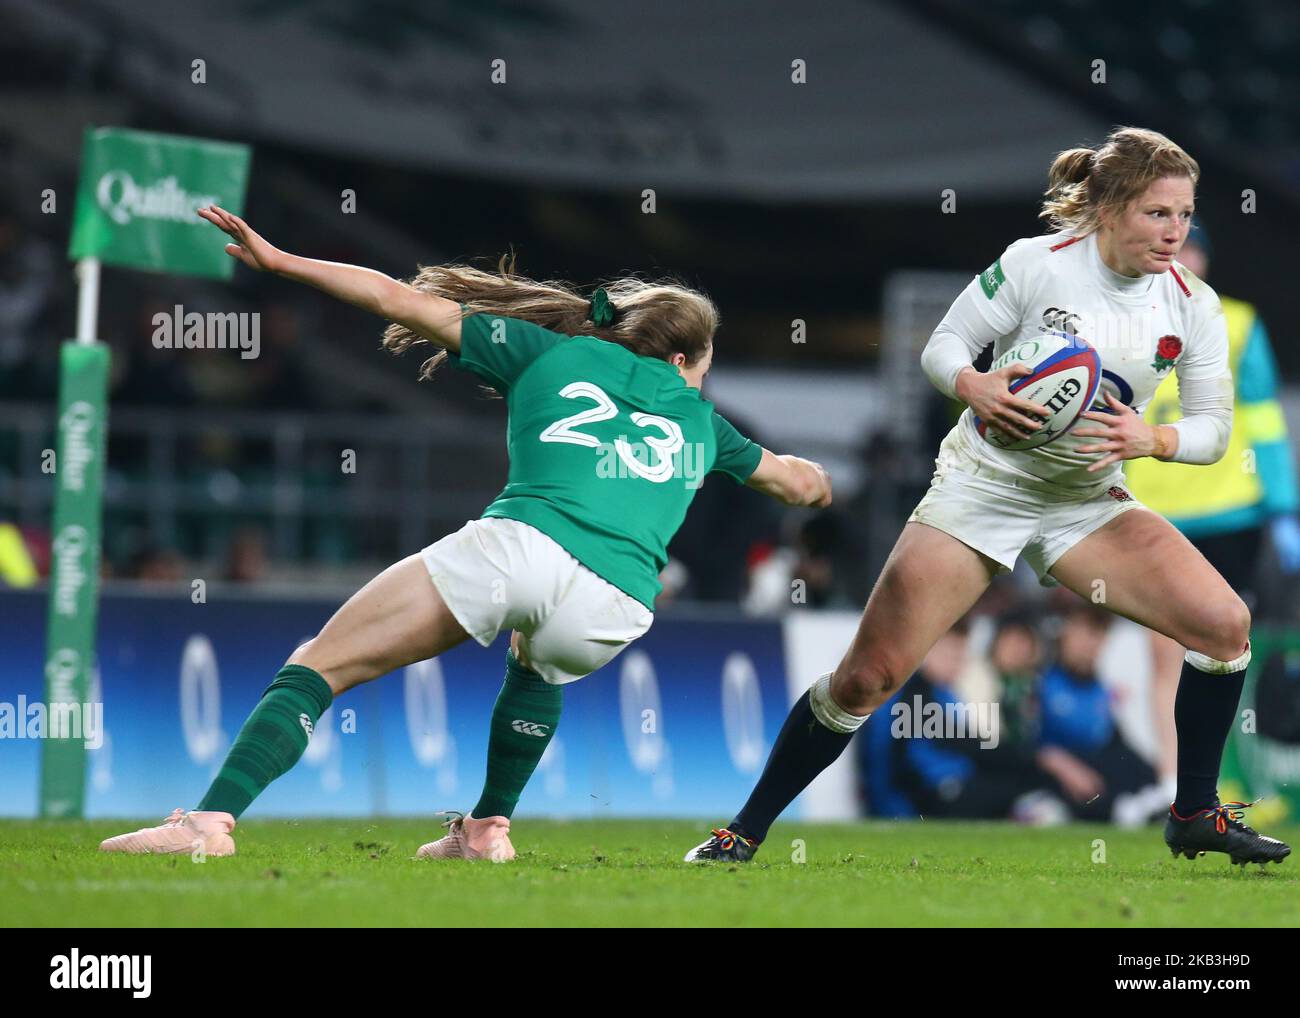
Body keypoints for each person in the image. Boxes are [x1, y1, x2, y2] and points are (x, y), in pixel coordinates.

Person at [100, 205, 831, 860]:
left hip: (522, 548)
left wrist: (281, 261)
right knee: (537, 664)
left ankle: (209, 822)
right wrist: (821, 477)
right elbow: (799, 484)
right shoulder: (706, 423)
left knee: (319, 665)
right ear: (681, 361)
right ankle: (487, 832)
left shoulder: (548, 350)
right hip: (618, 606)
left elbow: (393, 297)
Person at [686, 126, 1290, 868]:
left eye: (1184, 215)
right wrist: (974, 383)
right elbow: (943, 347)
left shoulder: (1193, 305)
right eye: (1156, 213)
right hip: (985, 487)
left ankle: (1195, 811)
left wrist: (1154, 440)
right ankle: (742, 829)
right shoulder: (1037, 264)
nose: (1174, 232)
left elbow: (1214, 430)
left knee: (1225, 625)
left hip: (1086, 501)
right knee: (867, 678)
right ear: (1107, 209)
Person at [1124, 223, 1300, 804]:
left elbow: (1265, 419)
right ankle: (1177, 787)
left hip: (1230, 514)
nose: (1182, 253)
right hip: (1150, 514)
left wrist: (1281, 507)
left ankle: (1235, 783)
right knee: (1161, 653)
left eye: (1192, 243)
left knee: (1228, 647)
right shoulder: (1116, 318)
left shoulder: (1239, 322)